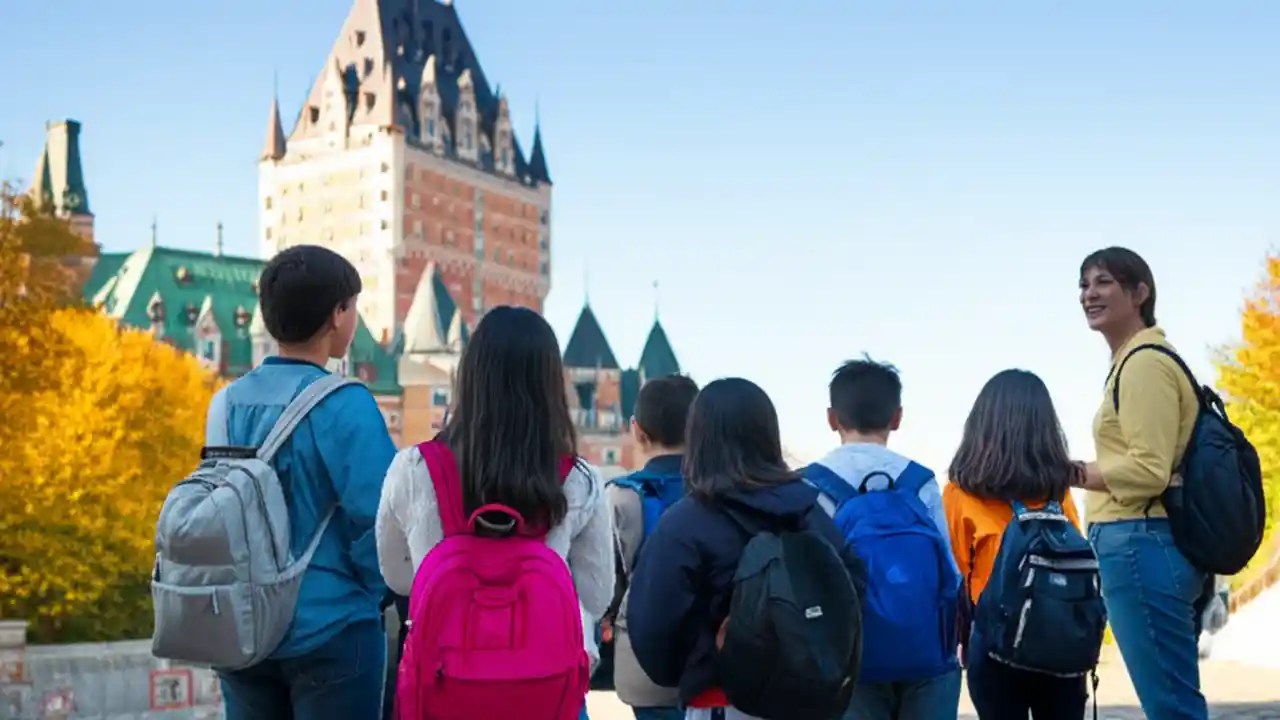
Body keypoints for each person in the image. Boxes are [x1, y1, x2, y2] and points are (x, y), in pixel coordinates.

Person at [375, 305, 614, 718]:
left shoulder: (414, 469)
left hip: (443, 688)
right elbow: (596, 593)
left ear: (469, 378)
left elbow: (396, 576)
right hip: (545, 691)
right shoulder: (579, 479)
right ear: (550, 386)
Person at [211, 245, 396, 719]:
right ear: (337, 315)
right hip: (331, 629)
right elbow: (381, 522)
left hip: (242, 626)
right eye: (353, 305)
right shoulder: (346, 403)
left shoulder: (225, 403)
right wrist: (375, 595)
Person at [627, 377, 865, 720]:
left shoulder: (685, 523)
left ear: (699, 437)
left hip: (722, 702)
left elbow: (653, 633)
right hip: (811, 702)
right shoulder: (810, 510)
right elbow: (853, 588)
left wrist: (707, 659)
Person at [1075, 247, 1207, 720]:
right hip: (1144, 543)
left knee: (1171, 707)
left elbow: (1149, 469)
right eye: (1084, 284)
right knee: (1173, 701)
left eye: (1103, 281)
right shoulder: (1131, 361)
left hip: (1139, 542)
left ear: (1140, 292)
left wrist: (1068, 472)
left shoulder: (1145, 363)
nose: (1090, 293)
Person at [802, 358, 961, 720]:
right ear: (897, 417)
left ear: (831, 418)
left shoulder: (810, 484)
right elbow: (948, 572)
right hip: (925, 653)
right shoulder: (919, 481)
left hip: (847, 659)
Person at [944, 369, 1090, 720]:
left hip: (995, 643)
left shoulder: (960, 493)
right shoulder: (1057, 492)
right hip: (1063, 641)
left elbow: (953, 577)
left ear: (981, 425)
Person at [607, 374, 699, 720]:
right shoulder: (722, 491)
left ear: (636, 429)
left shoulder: (622, 496)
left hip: (644, 662)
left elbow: (605, 585)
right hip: (716, 662)